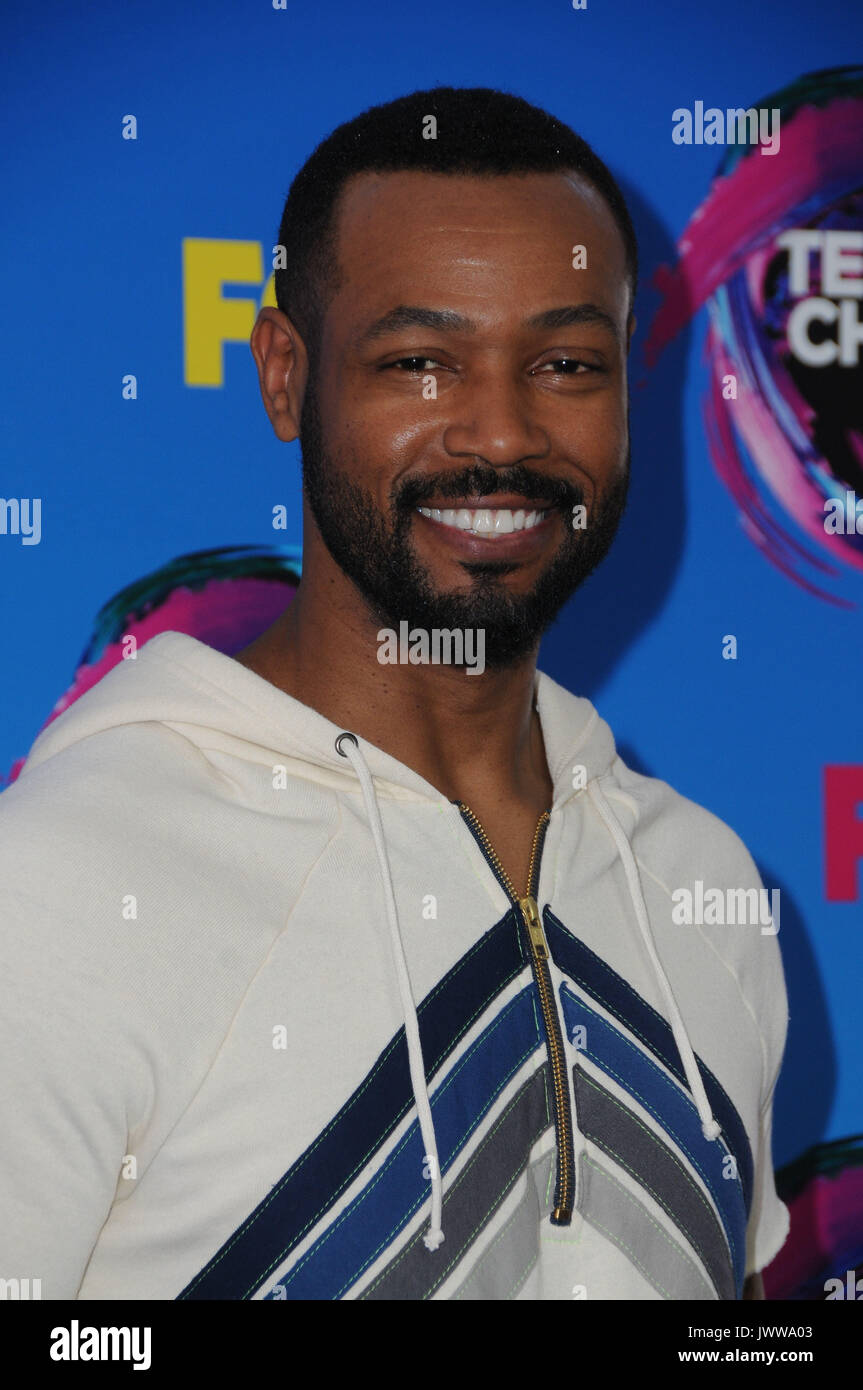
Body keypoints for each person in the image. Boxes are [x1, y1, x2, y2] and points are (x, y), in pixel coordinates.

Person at [0, 86, 788, 1301]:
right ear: (282, 376)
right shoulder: (57, 890)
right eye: (418, 361)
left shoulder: (702, 880)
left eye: (565, 362)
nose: (501, 434)